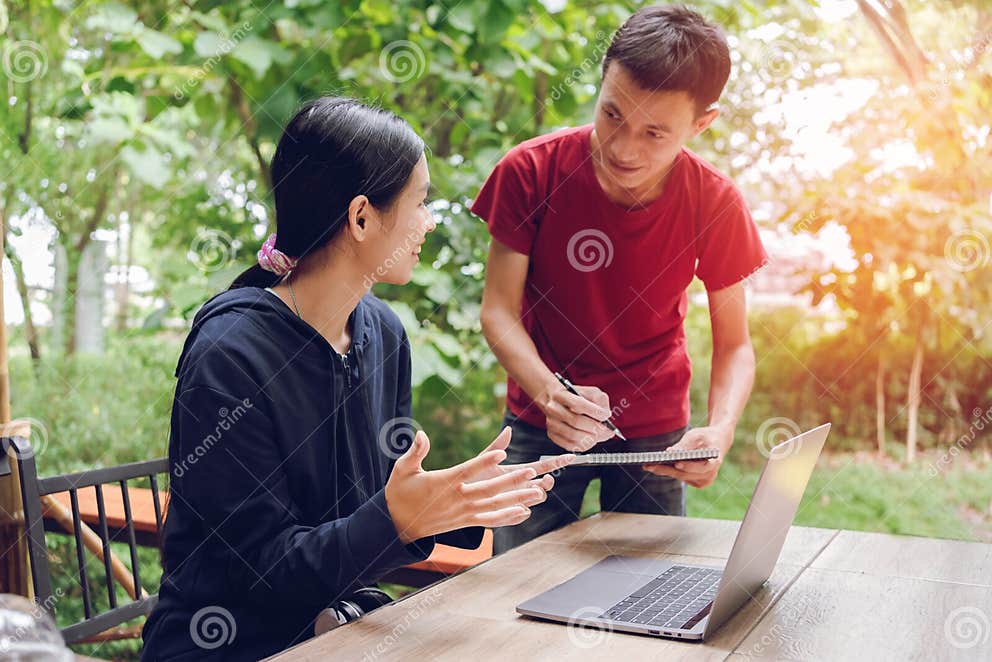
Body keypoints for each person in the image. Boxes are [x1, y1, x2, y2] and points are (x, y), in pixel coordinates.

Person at [141, 97, 573, 660]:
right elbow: (258, 572)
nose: (429, 221)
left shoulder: (383, 334)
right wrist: (399, 518)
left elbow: (372, 508)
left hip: (339, 631)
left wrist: (451, 503)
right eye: (420, 202)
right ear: (361, 217)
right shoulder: (229, 356)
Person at [473, 4, 768, 555]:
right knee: (512, 581)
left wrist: (722, 429)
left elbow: (735, 345)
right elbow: (498, 311)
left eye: (655, 132)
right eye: (612, 114)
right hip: (541, 416)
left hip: (655, 429)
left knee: (648, 587)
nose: (624, 148)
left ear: (701, 124)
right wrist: (550, 394)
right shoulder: (529, 172)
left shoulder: (716, 202)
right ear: (602, 82)